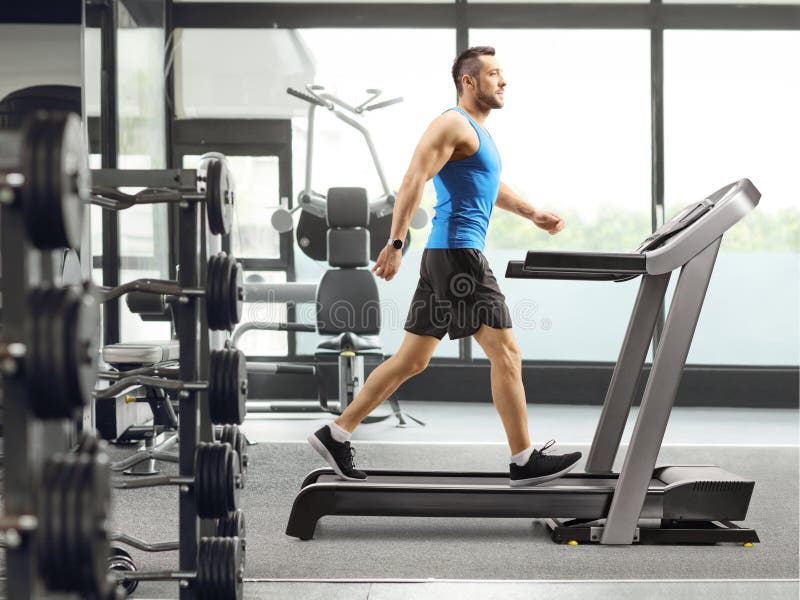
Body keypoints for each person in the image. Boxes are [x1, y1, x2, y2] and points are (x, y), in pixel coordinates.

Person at [308, 46, 582, 487]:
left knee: (410, 360)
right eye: (494, 74)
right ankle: (523, 459)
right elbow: (413, 179)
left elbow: (489, 186)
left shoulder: (478, 133)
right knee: (506, 353)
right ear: (468, 82)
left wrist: (532, 213)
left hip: (447, 256)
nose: (503, 81)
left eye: (503, 74)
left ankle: (335, 432)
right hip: (458, 255)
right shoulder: (451, 123)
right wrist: (395, 242)